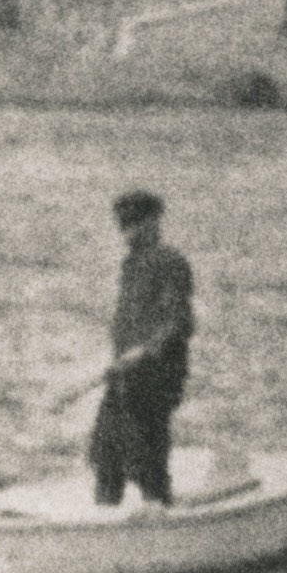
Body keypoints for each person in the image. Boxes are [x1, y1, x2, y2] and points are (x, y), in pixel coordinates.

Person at [87, 188, 196, 509]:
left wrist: (145, 352)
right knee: (105, 452)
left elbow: (180, 322)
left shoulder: (170, 262)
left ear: (153, 222)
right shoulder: (130, 265)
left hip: (155, 380)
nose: (127, 232)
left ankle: (159, 518)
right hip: (124, 378)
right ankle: (104, 523)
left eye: (134, 223)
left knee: (148, 459)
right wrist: (123, 358)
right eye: (123, 225)